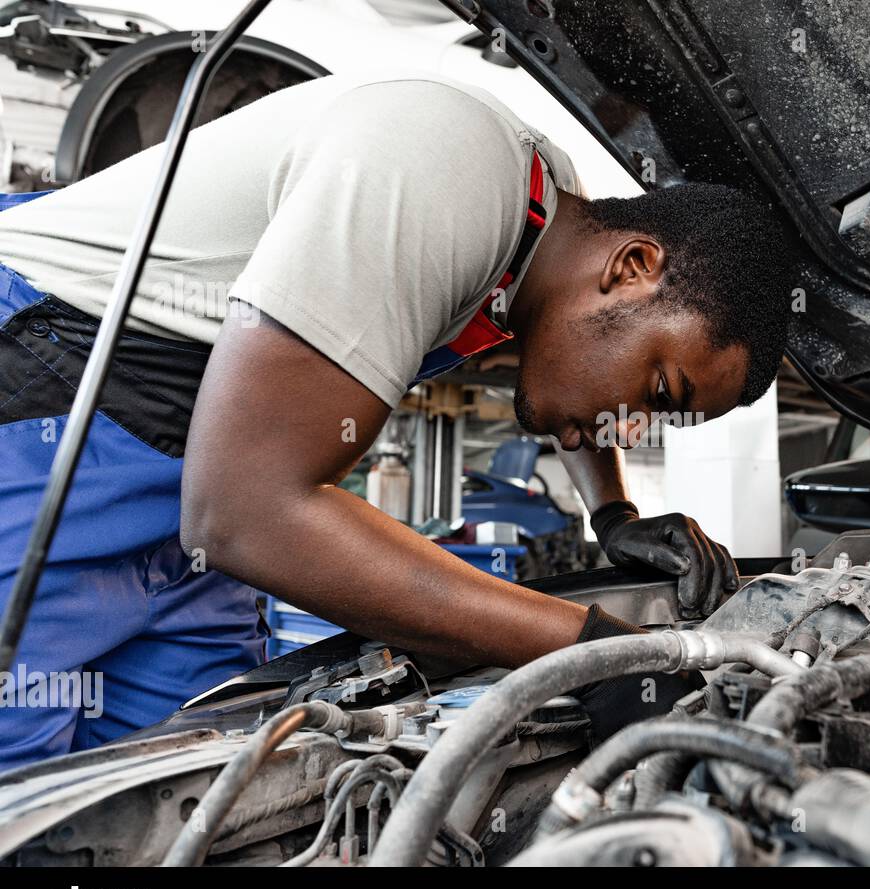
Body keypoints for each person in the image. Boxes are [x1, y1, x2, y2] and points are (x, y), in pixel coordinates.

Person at [0, 73, 795, 768]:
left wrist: (613, 514)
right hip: (49, 402)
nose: (631, 428)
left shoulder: (545, 222)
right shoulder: (437, 172)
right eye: (659, 391)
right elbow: (246, 515)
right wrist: (591, 652)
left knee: (189, 789)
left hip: (188, 491)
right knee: (25, 801)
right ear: (630, 269)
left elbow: (563, 357)